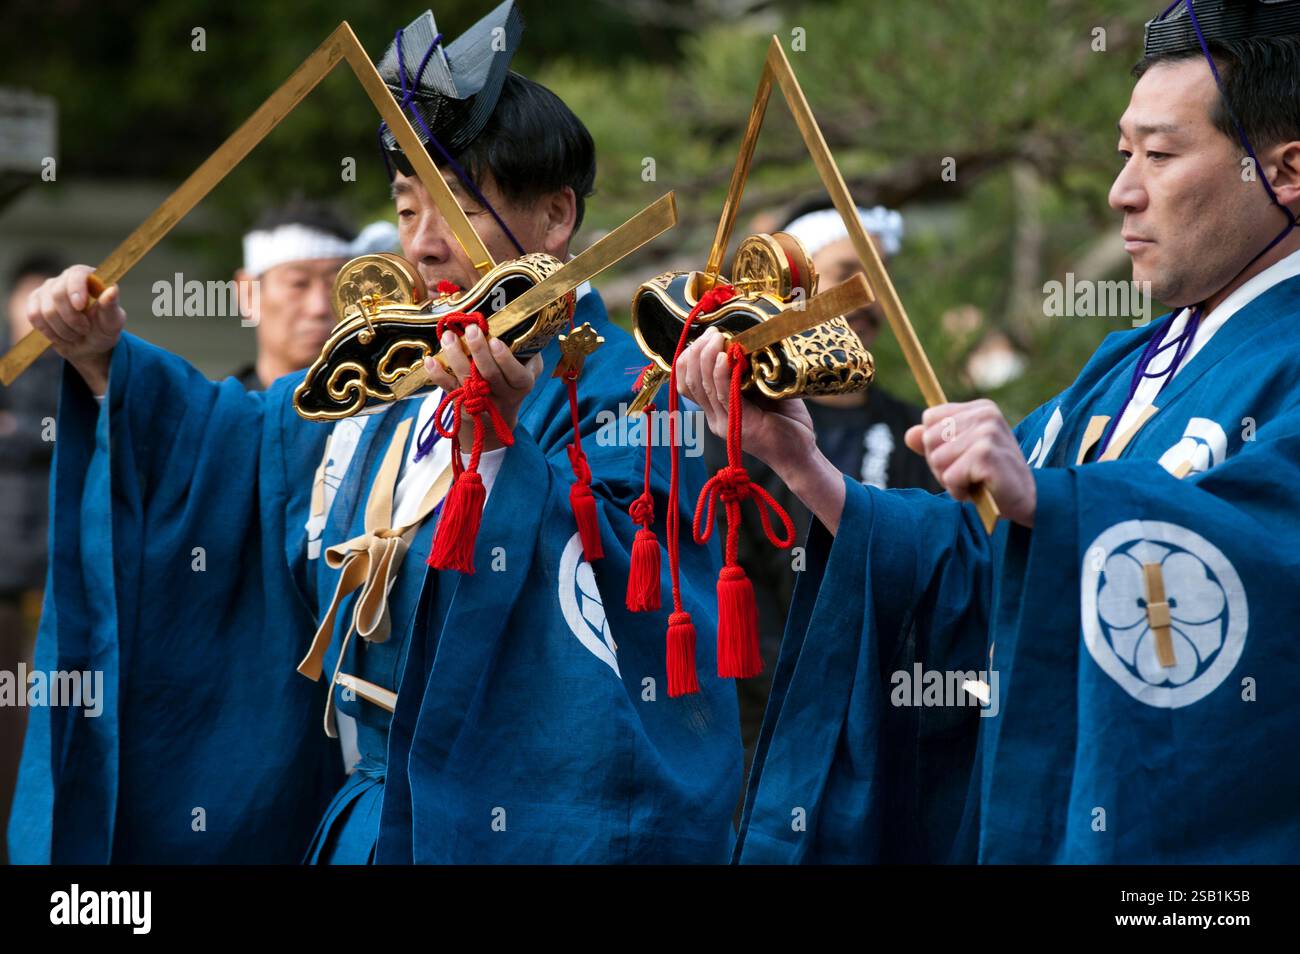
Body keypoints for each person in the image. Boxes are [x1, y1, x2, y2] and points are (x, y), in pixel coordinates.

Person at [10, 2, 738, 864]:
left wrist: (508, 455)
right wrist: (108, 362)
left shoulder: (633, 394)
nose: (426, 246)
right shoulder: (388, 371)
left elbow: (632, 622)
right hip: (365, 820)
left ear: (556, 217)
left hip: (516, 831)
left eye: (458, 208)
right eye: (406, 209)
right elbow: (237, 445)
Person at [679, 1, 1300, 863]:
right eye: (1124, 155)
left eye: (1159, 155)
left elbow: (1271, 568)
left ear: (1286, 170)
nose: (1123, 189)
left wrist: (1056, 501)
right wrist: (804, 466)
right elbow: (981, 565)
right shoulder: (1119, 372)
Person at [703, 205, 939, 779]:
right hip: (771, 738)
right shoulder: (731, 438)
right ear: (790, 293)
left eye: (880, 279)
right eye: (847, 275)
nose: (868, 298)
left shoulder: (924, 431)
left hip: (904, 726)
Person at [0, 254, 65, 864]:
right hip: (4, 570)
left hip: (52, 572)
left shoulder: (70, 368)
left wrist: (17, 430)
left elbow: (54, 431)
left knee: (36, 703)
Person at [230, 202, 398, 391]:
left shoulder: (386, 405)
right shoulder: (219, 415)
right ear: (248, 293)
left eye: (335, 286)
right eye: (298, 284)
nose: (318, 308)